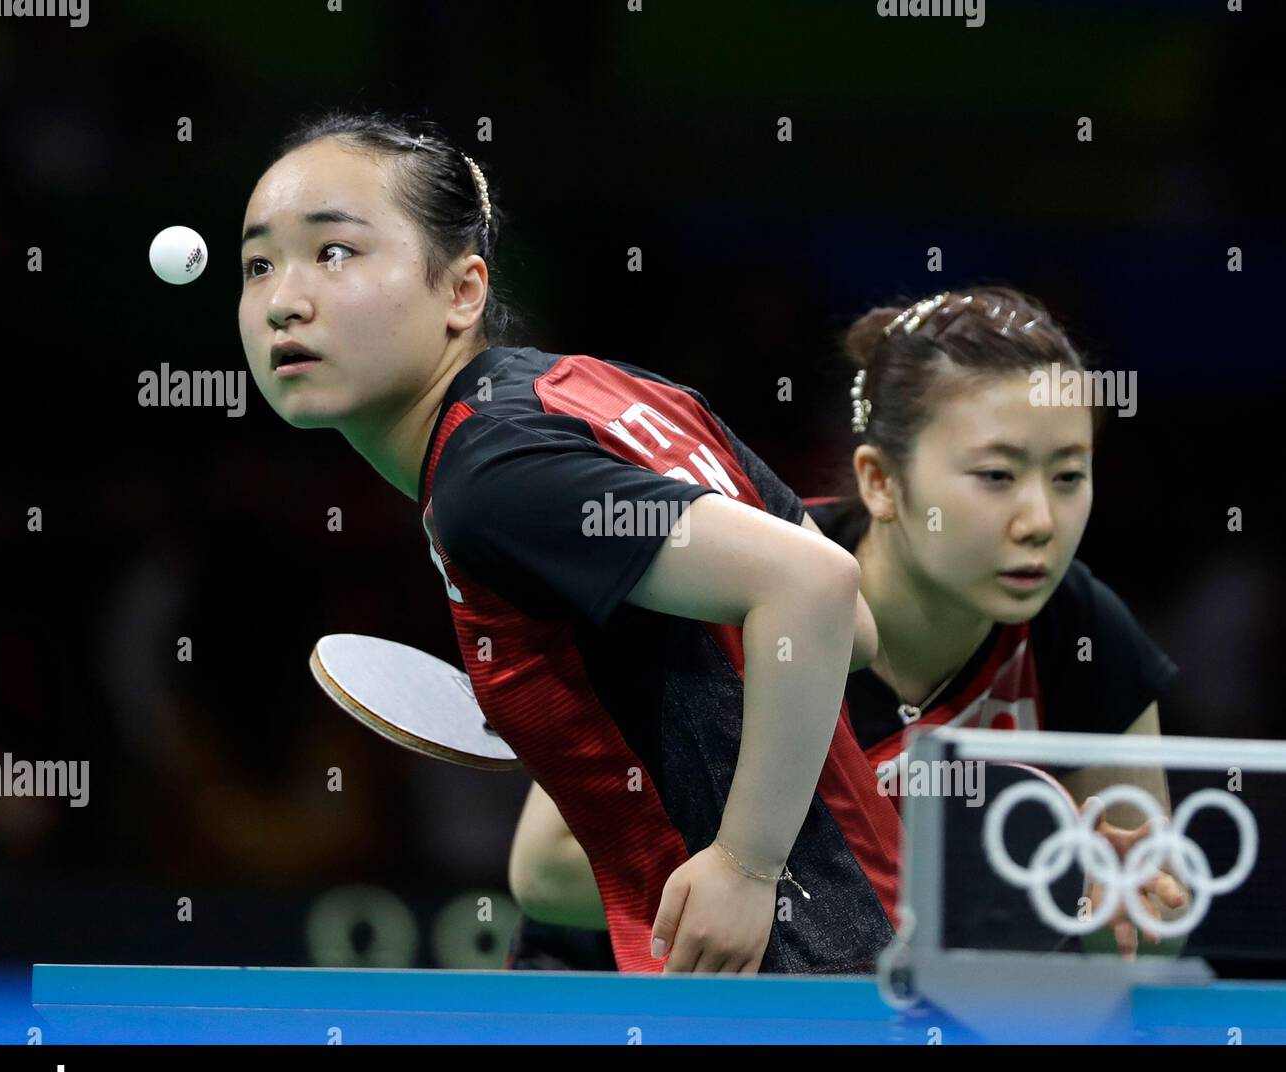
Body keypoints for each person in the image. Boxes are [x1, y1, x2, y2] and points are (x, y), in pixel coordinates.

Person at [237, 110, 899, 975]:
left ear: (463, 291)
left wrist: (747, 863)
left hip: (780, 974)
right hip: (875, 941)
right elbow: (855, 630)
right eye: (258, 265)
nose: (284, 300)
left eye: (334, 251)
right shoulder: (598, 390)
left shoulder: (491, 480)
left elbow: (815, 587)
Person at [506, 286, 1187, 970]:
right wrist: (944, 880)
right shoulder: (742, 574)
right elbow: (545, 870)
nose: (1039, 520)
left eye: (1068, 476)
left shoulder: (1080, 630)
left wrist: (1107, 905)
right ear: (880, 480)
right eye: (996, 475)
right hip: (625, 988)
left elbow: (1154, 929)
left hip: (873, 1001)